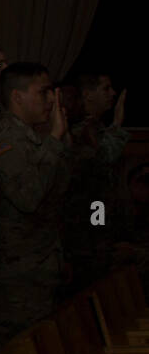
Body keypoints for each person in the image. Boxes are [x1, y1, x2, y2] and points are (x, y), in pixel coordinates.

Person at [0, 63, 70, 354]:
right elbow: (29, 197)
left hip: (35, 269)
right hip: (11, 279)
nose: (51, 100)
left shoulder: (29, 136)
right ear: (17, 97)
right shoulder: (5, 139)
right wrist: (53, 140)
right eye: (43, 93)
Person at [63, 74, 129, 291]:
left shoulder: (97, 128)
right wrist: (118, 123)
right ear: (87, 95)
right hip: (86, 222)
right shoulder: (81, 129)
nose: (112, 94)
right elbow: (104, 158)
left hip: (97, 215)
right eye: (105, 88)